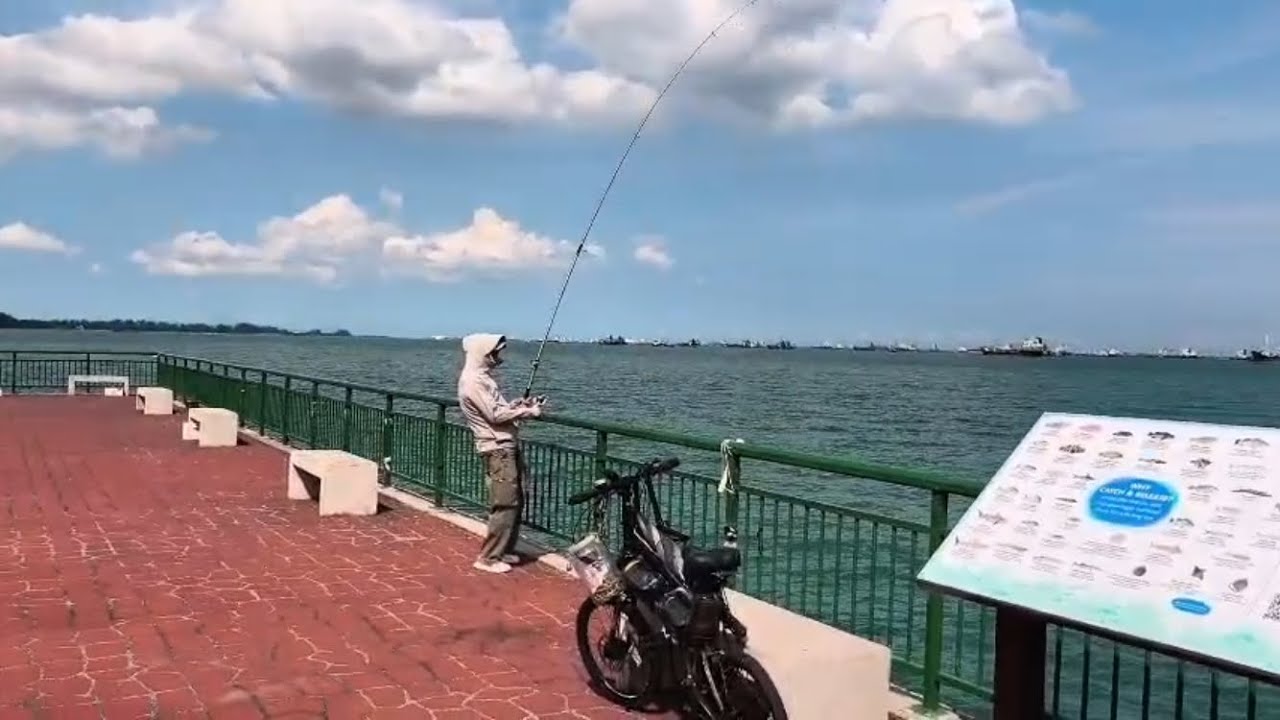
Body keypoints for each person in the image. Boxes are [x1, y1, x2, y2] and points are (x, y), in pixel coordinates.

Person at [457, 333, 546, 574]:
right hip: (497, 449)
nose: (498, 356)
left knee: (516, 499)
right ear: (483, 353)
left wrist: (516, 406)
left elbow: (497, 409)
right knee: (505, 502)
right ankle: (488, 558)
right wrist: (530, 413)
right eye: (495, 352)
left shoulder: (483, 379)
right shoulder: (473, 381)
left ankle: (505, 549)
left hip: (505, 446)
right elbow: (494, 416)